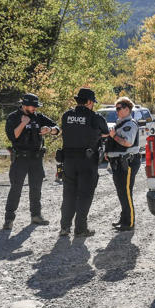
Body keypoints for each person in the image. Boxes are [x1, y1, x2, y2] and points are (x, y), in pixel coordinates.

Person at [3, 93, 60, 231]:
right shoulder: (13, 117)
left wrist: (50, 130)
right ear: (24, 105)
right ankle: (9, 219)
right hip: (20, 159)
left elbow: (57, 128)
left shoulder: (38, 117)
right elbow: (13, 136)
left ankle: (36, 215)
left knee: (36, 188)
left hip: (36, 159)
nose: (35, 108)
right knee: (16, 189)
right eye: (33, 106)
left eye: (36, 106)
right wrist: (23, 123)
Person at [59, 87, 109, 238]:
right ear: (88, 102)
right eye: (93, 102)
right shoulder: (95, 117)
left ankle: (64, 227)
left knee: (69, 194)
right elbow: (106, 132)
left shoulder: (66, 115)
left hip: (68, 160)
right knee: (85, 195)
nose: (93, 104)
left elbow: (66, 130)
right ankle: (80, 229)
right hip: (87, 162)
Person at [105, 96, 140, 231]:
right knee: (122, 192)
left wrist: (114, 136)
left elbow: (127, 143)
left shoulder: (130, 124)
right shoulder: (118, 124)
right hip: (117, 162)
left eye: (119, 108)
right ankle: (124, 218)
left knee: (126, 192)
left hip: (128, 162)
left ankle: (129, 222)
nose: (117, 111)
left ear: (127, 109)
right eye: (116, 108)